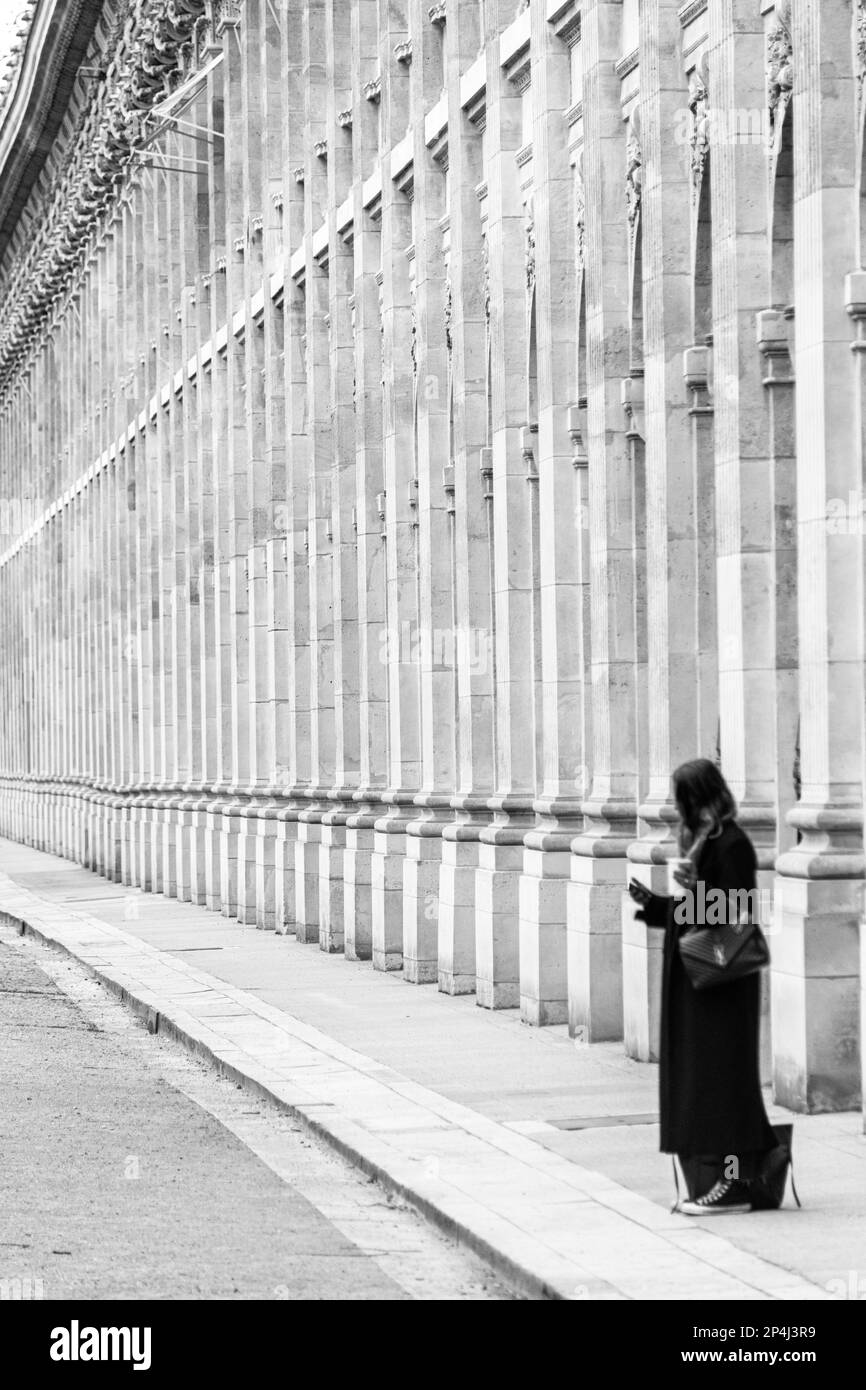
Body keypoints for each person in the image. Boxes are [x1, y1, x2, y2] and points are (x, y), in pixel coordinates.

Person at [628, 758, 776, 1215]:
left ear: (697, 798)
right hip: (702, 987)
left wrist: (696, 889)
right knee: (711, 1086)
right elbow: (702, 908)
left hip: (722, 986)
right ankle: (733, 1178)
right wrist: (657, 904)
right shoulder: (708, 843)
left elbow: (732, 917)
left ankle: (733, 1184)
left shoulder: (731, 844)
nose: (677, 809)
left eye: (681, 799)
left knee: (726, 1088)